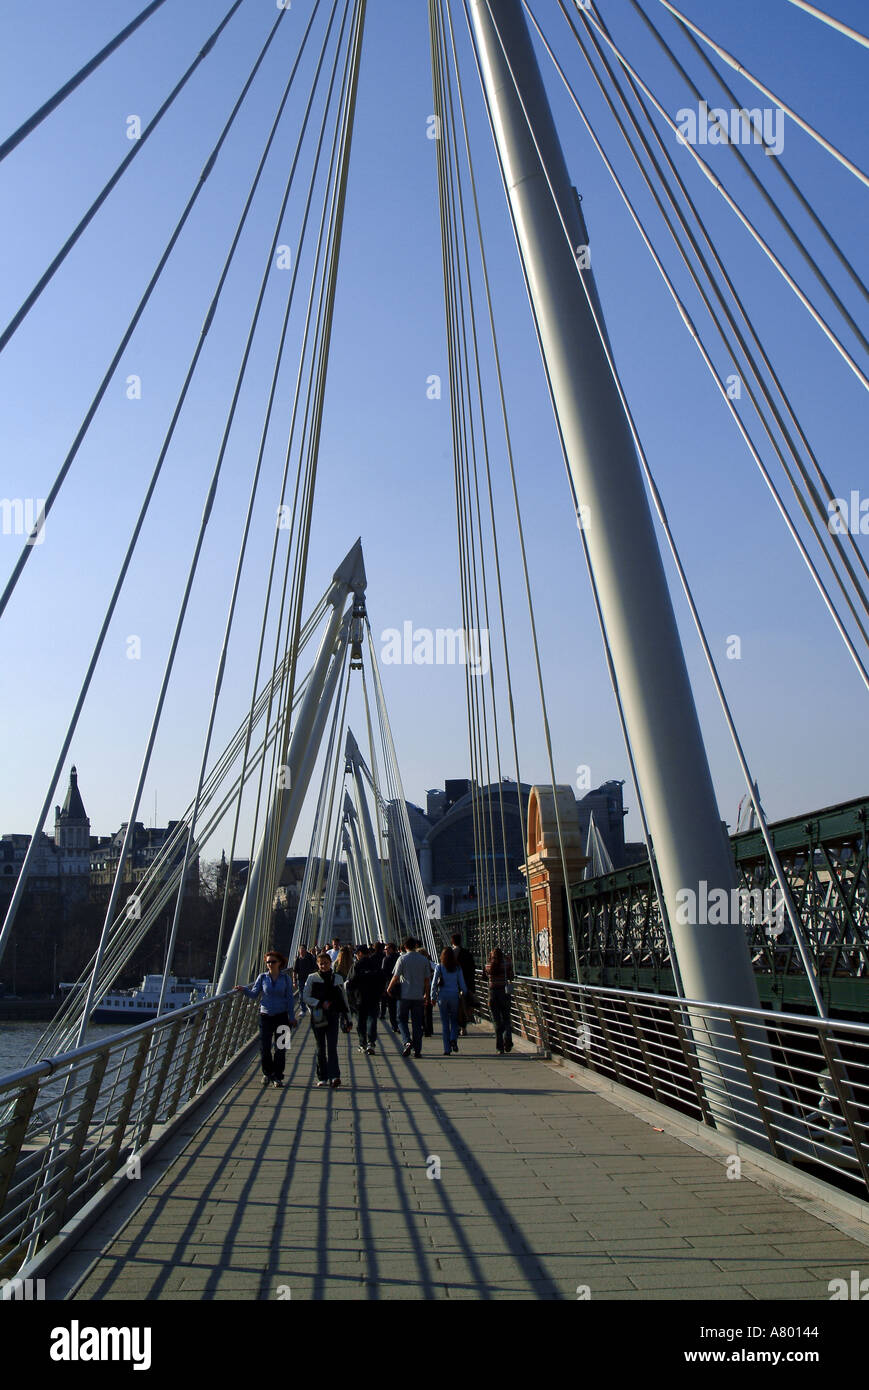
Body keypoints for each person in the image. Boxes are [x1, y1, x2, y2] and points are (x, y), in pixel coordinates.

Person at [234, 949, 298, 1087]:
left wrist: (292, 1017)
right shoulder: (262, 977)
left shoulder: (286, 978)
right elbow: (254, 994)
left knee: (281, 1047)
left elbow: (290, 999)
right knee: (265, 1047)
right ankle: (267, 1073)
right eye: (268, 962)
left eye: (273, 962)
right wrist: (243, 989)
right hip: (265, 1017)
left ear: (279, 963)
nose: (270, 964)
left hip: (282, 1017)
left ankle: (278, 1076)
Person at [303, 952, 351, 1088]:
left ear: (331, 963)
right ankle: (322, 1077)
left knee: (332, 1047)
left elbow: (344, 999)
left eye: (326, 963)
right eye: (321, 963)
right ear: (317, 964)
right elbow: (305, 996)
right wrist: (319, 1003)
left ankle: (335, 1076)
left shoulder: (337, 979)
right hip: (318, 1015)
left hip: (333, 1015)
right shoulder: (312, 978)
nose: (323, 965)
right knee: (320, 1047)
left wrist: (348, 1018)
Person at [387, 938, 431, 1059]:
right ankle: (417, 1050)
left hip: (404, 996)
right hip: (418, 996)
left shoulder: (402, 959)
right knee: (417, 1024)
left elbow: (395, 976)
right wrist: (427, 995)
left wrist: (389, 988)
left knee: (401, 1019)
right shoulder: (423, 960)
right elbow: (427, 980)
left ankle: (407, 1041)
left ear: (405, 947)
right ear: (415, 945)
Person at [431, 947, 467, 1056]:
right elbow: (462, 984)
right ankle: (453, 1039)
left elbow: (434, 984)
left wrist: (432, 996)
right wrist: (464, 994)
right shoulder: (457, 968)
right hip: (454, 996)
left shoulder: (439, 967)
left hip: (442, 996)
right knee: (454, 1020)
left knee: (445, 1023)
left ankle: (447, 1049)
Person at [350, 948, 384, 1055]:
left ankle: (362, 1043)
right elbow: (382, 980)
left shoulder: (356, 965)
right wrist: (379, 994)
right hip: (373, 998)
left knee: (360, 1022)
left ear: (360, 954)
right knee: (372, 1020)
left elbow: (351, 982)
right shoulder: (376, 964)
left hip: (359, 998)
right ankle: (371, 1043)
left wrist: (351, 999)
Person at [485, 946, 515, 1054]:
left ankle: (500, 1047)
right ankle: (508, 1039)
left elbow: (485, 975)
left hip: (493, 994)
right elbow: (511, 976)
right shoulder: (506, 963)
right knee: (506, 1018)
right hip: (504, 992)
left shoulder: (488, 965)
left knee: (497, 1021)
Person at [451, 933, 477, 1035]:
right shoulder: (467, 953)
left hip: (453, 984)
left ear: (452, 941)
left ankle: (457, 1026)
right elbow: (472, 969)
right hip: (466, 983)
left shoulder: (450, 954)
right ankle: (463, 1027)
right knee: (464, 1006)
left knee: (456, 1007)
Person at [292, 943, 318, 1014]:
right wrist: (294, 981)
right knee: (301, 995)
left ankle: (310, 1007)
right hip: (300, 979)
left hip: (309, 979)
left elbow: (315, 968)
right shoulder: (297, 958)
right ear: (299, 950)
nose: (301, 952)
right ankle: (303, 1009)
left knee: (310, 994)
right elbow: (294, 970)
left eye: (303, 950)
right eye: (300, 950)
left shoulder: (310, 957)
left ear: (306, 951)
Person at [380, 942, 399, 1030]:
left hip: (390, 985)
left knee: (392, 1007)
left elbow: (383, 974)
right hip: (400, 984)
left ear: (391, 949)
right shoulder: (400, 957)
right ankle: (399, 1023)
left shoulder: (386, 959)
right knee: (399, 1005)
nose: (385, 950)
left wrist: (384, 987)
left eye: (387, 949)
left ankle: (394, 1025)